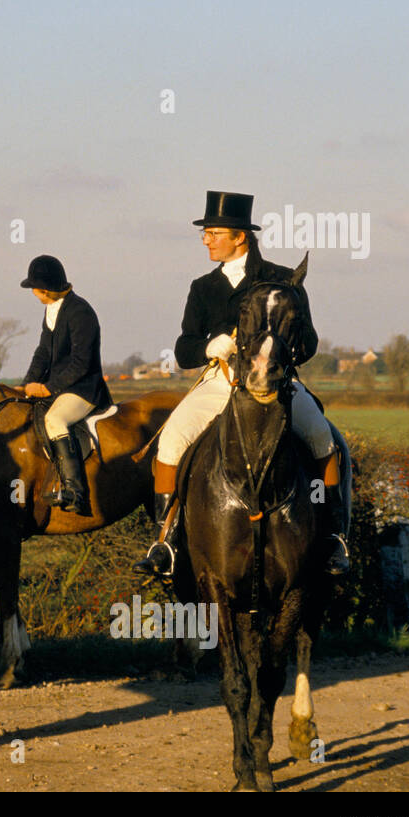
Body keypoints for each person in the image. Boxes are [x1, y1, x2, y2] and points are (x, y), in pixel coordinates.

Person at [134, 191, 349, 577]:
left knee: (322, 438)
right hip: (221, 380)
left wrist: (280, 354)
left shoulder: (283, 279)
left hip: (277, 384)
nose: (206, 239)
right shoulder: (201, 287)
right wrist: (209, 345)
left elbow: (310, 342)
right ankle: (165, 540)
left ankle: (334, 539)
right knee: (170, 441)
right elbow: (184, 350)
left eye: (213, 232)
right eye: (206, 233)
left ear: (240, 236)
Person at [13, 255, 112, 516]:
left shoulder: (81, 312)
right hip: (60, 386)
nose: (33, 293)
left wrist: (48, 388)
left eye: (34, 289)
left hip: (84, 388)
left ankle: (74, 490)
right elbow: (43, 353)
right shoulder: (52, 310)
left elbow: (82, 363)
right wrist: (26, 385)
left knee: (55, 420)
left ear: (44, 289)